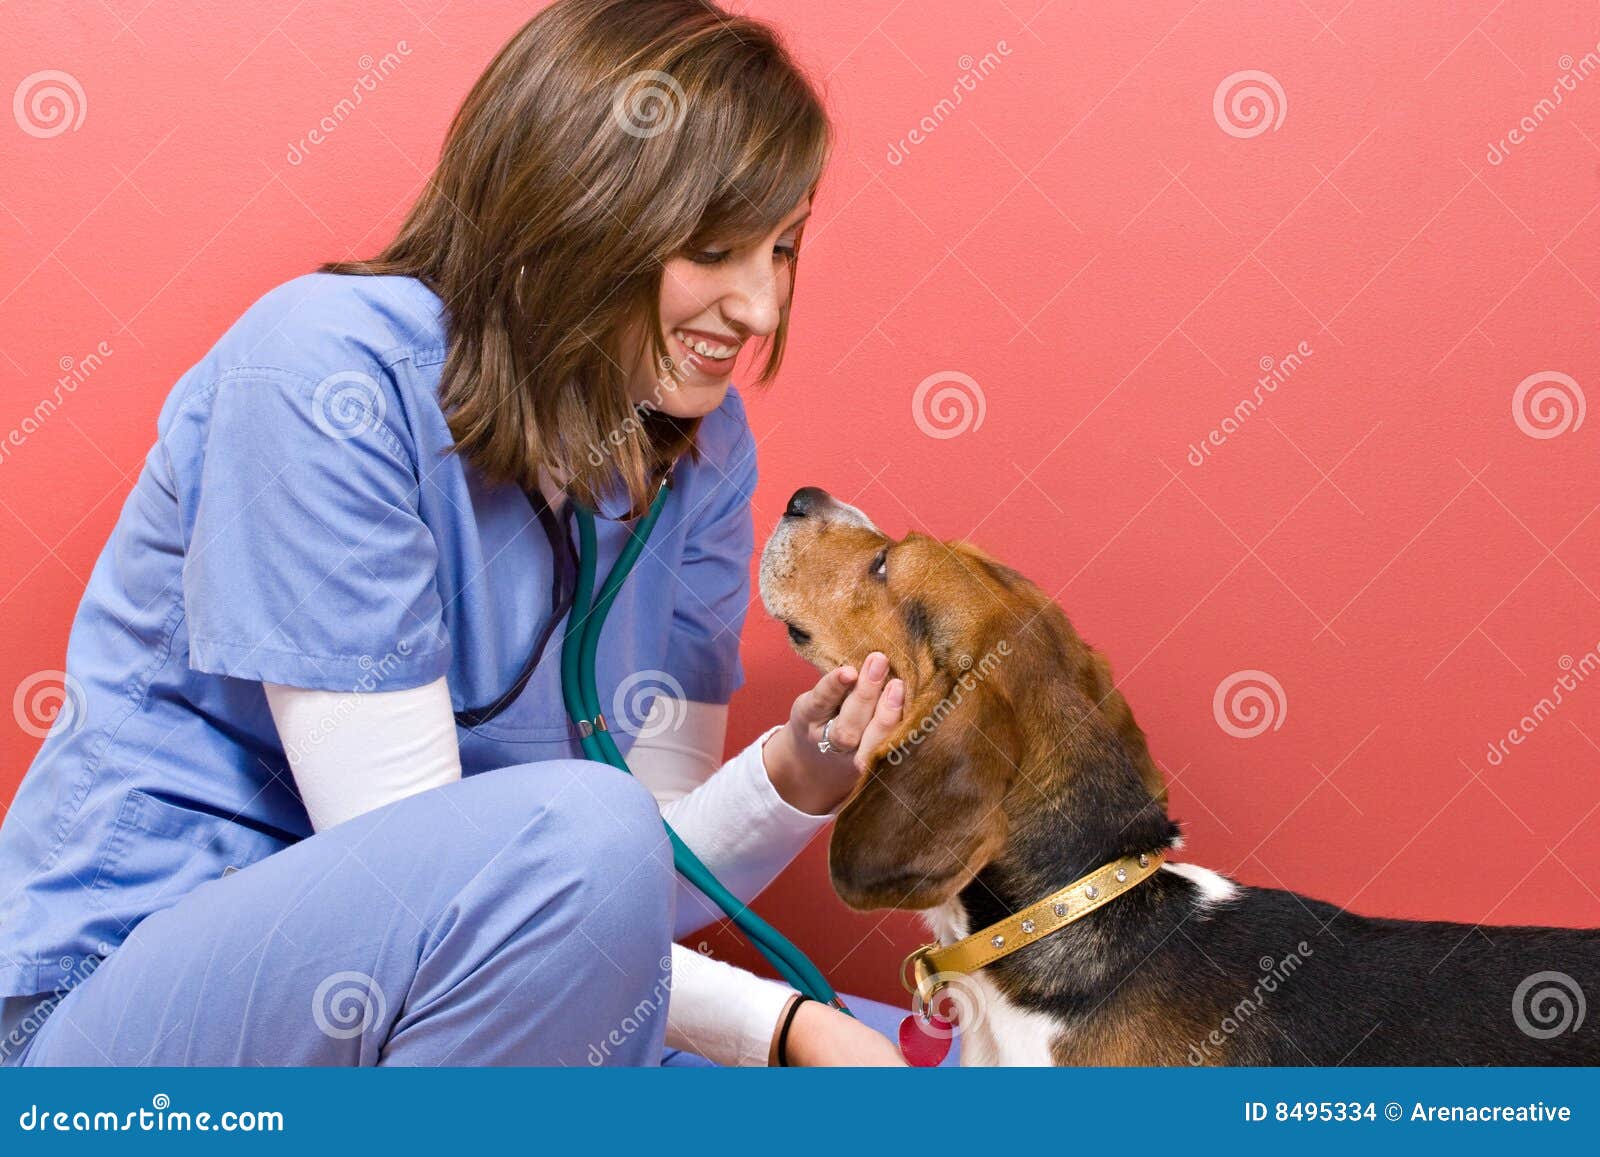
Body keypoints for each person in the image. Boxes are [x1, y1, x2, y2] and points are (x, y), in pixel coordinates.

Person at [0, 0, 942, 1067]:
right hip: (119, 1034)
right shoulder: (326, 375)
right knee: (595, 844)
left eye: (783, 248)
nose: (761, 309)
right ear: (573, 205)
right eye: (715, 247)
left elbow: (621, 890)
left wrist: (794, 776)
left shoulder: (702, 456)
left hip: (439, 1035)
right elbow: (462, 894)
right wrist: (778, 1023)